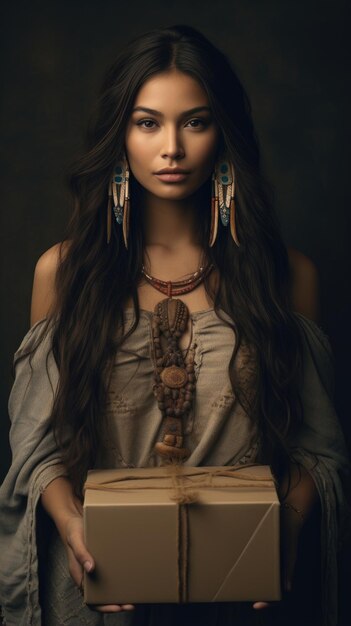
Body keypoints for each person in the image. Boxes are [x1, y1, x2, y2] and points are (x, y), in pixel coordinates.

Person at [0, 24, 349, 626]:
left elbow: (319, 453)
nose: (171, 148)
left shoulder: (287, 277)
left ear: (222, 133)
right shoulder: (63, 274)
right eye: (147, 123)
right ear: (121, 135)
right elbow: (37, 450)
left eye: (194, 121)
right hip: (106, 589)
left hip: (244, 592)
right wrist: (73, 525)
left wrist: (284, 529)